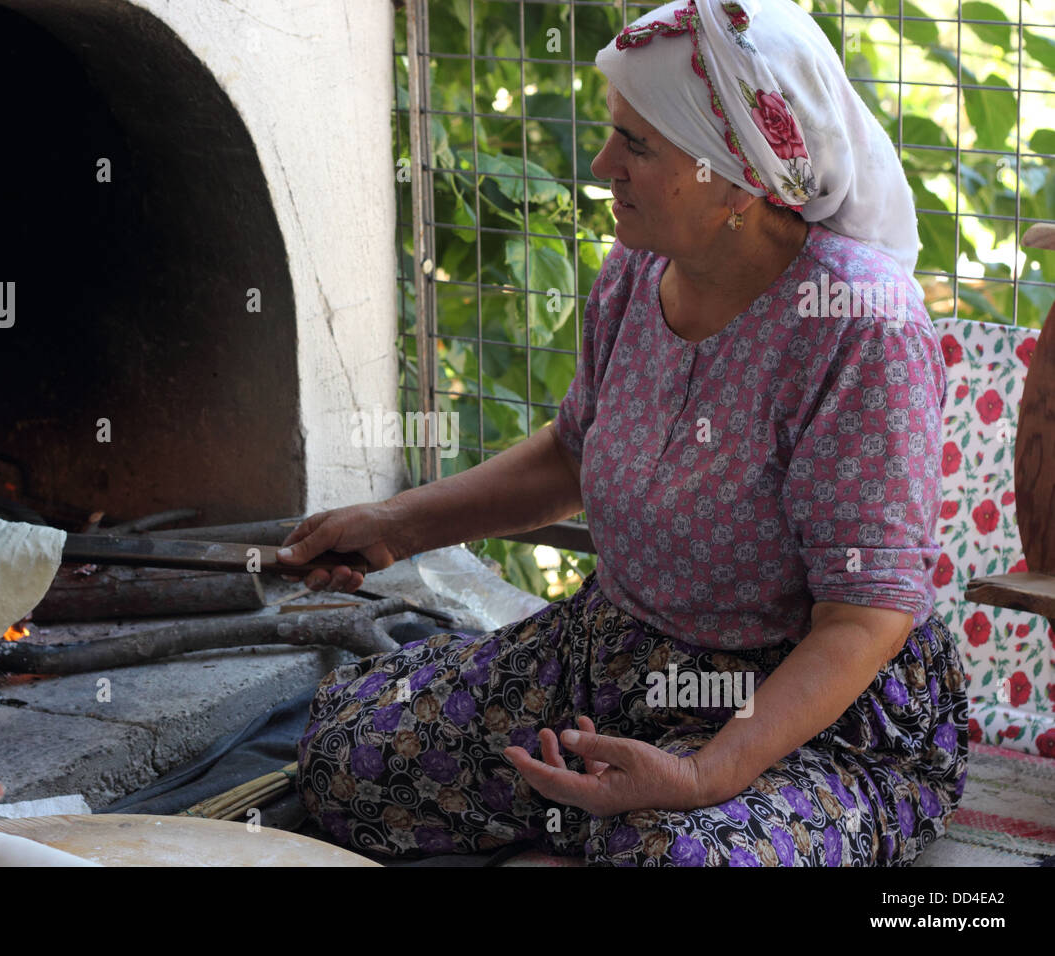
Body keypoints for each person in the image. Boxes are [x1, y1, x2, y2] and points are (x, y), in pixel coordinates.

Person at [277, 0, 966, 866]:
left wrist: (703, 777)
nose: (604, 165)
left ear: (736, 178)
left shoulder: (860, 324)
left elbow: (864, 620)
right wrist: (398, 525)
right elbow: (574, 449)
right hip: (615, 656)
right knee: (350, 761)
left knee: (675, 857)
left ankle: (608, 822)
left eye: (638, 145)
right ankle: (590, 818)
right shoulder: (639, 272)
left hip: (802, 714)